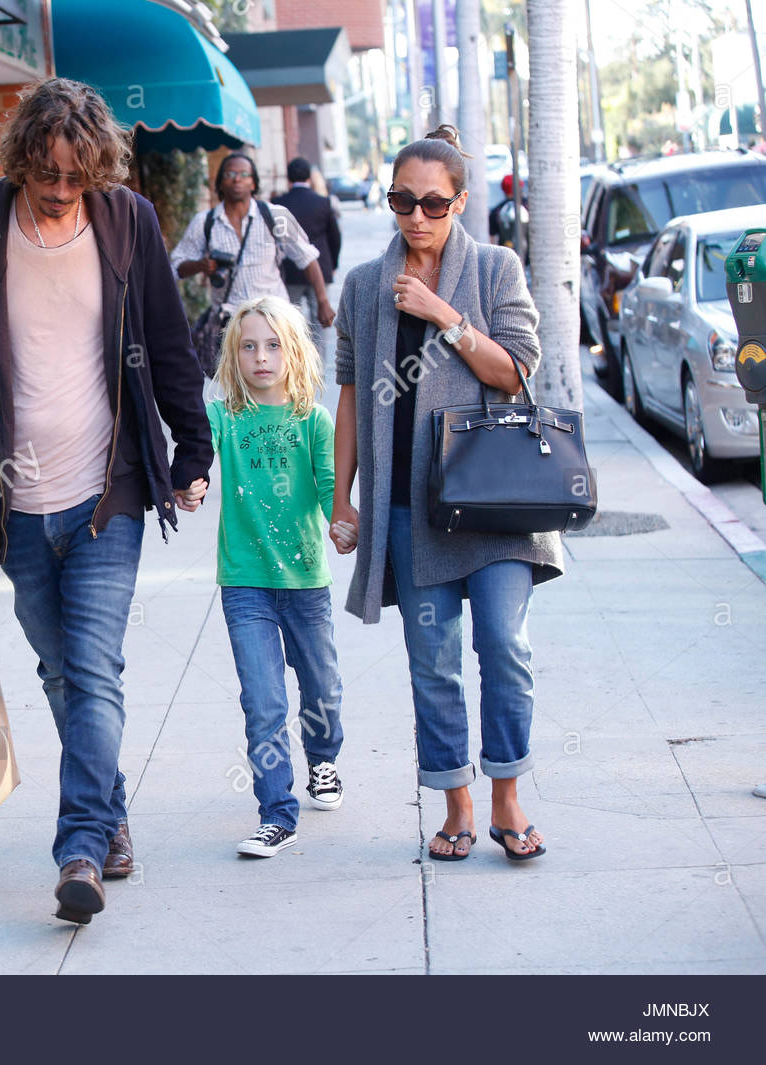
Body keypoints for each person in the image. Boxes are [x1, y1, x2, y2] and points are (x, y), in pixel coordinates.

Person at [0, 78, 212, 925]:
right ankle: (112, 808)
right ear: (23, 160)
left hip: (108, 493)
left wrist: (192, 448)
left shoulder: (125, 219)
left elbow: (166, 342)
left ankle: (81, 848)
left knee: (93, 667)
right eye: (48, 174)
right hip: (13, 504)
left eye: (77, 177)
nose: (62, 192)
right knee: (60, 672)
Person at [330, 126, 563, 863]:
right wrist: (343, 499)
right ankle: (456, 801)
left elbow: (517, 372)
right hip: (408, 505)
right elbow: (347, 398)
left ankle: (507, 793)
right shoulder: (366, 286)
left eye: (433, 202)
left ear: (460, 202)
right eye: (403, 199)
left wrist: (444, 316)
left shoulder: (495, 270)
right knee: (432, 661)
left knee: (504, 647)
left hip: (496, 502)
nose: (416, 216)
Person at [207, 295, 352, 858]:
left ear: (293, 353)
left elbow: (327, 489)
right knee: (263, 701)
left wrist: (343, 521)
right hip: (244, 583)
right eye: (248, 346)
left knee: (322, 691)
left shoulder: (312, 421)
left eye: (272, 345)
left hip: (306, 582)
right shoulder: (225, 417)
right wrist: (189, 482)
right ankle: (276, 814)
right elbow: (196, 452)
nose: (260, 357)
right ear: (234, 356)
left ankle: (324, 760)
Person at [170, 152, 333, 362]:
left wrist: (322, 301)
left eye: (244, 174)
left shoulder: (276, 216)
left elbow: (307, 258)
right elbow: (176, 267)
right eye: (230, 173)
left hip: (275, 318)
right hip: (232, 323)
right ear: (220, 183)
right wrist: (200, 265)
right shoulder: (204, 222)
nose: (237, 178)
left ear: (254, 183)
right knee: (240, 389)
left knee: (278, 383)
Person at [272, 157, 341, 344]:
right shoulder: (323, 202)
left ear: (288, 178)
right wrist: (333, 264)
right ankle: (317, 370)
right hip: (320, 267)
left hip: (290, 269)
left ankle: (297, 362)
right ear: (309, 177)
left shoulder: (277, 203)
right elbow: (335, 237)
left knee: (291, 322)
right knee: (321, 320)